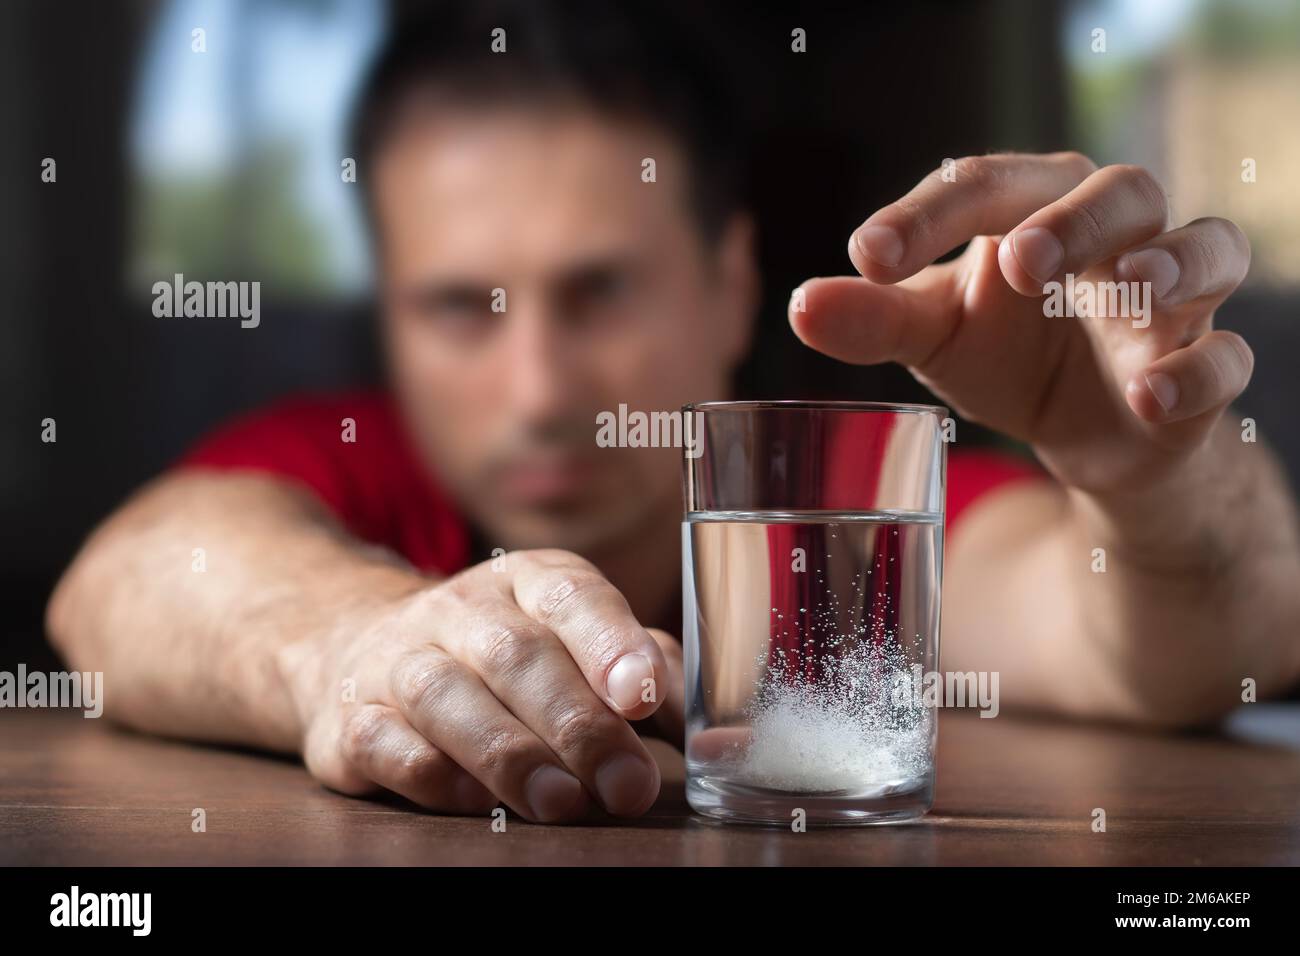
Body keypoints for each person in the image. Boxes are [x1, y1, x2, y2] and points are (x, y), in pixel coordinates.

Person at [47, 1, 1300, 824]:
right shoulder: (349, 468)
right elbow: (118, 583)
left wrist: (1149, 476)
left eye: (599, 292)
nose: (539, 393)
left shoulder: (846, 515)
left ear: (730, 281)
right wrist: (354, 646)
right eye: (459, 308)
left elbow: (1184, 643)